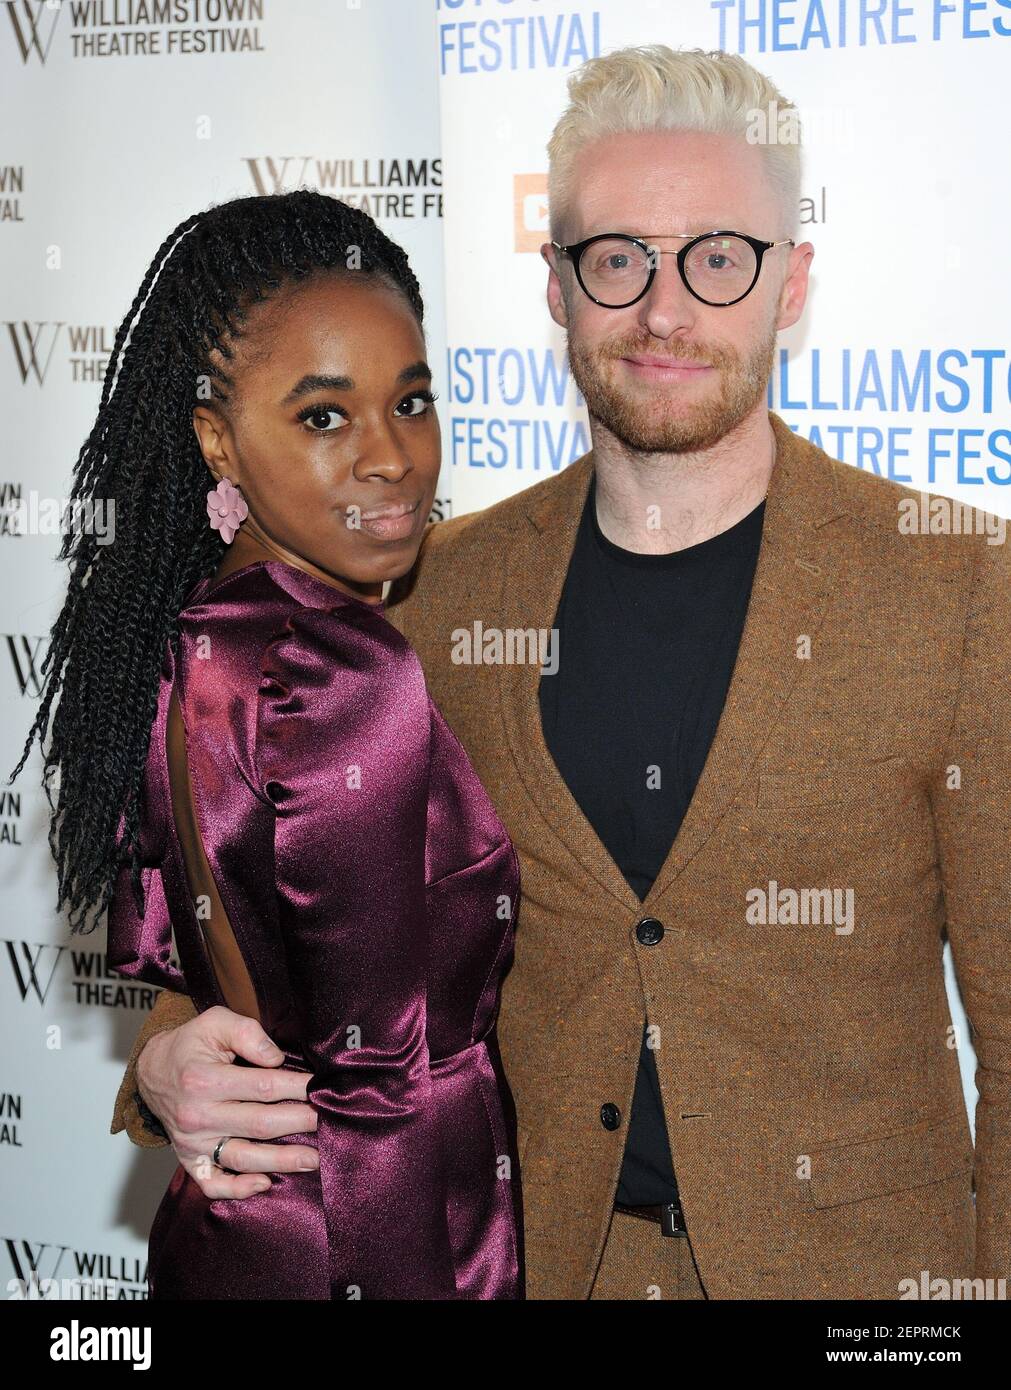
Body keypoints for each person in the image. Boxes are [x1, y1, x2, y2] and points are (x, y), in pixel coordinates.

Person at [110, 46, 1009, 1300]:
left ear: (791, 281)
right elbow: (265, 908)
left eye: (719, 255)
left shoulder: (959, 583)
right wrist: (163, 1067)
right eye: (617, 257)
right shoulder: (433, 593)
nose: (665, 307)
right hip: (531, 1271)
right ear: (557, 284)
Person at [9, 190, 522, 1301]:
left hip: (232, 1229)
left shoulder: (182, 630)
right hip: (368, 1246)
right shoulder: (346, 670)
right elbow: (379, 1094)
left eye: (414, 399)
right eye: (323, 416)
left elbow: (161, 938)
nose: (391, 457)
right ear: (214, 436)